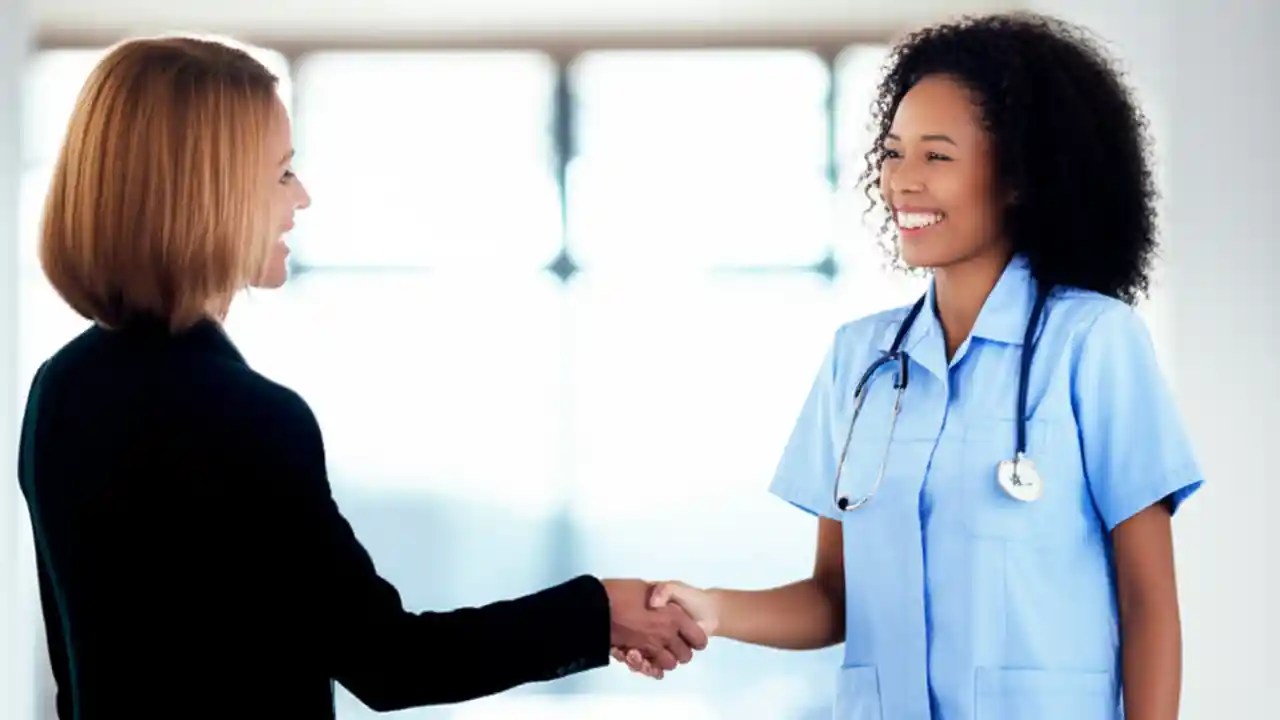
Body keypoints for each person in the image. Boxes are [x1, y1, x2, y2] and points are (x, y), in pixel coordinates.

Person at [17, 35, 705, 719]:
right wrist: (598, 611)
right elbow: (390, 662)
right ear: (209, 194)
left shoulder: (61, 390)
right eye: (282, 173)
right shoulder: (246, 416)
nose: (304, 198)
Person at [616, 12, 1203, 720]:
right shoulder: (859, 362)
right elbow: (835, 599)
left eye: (938, 156)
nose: (902, 182)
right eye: (894, 153)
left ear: (1018, 176)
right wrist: (708, 608)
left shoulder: (1093, 342)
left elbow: (1148, 605)